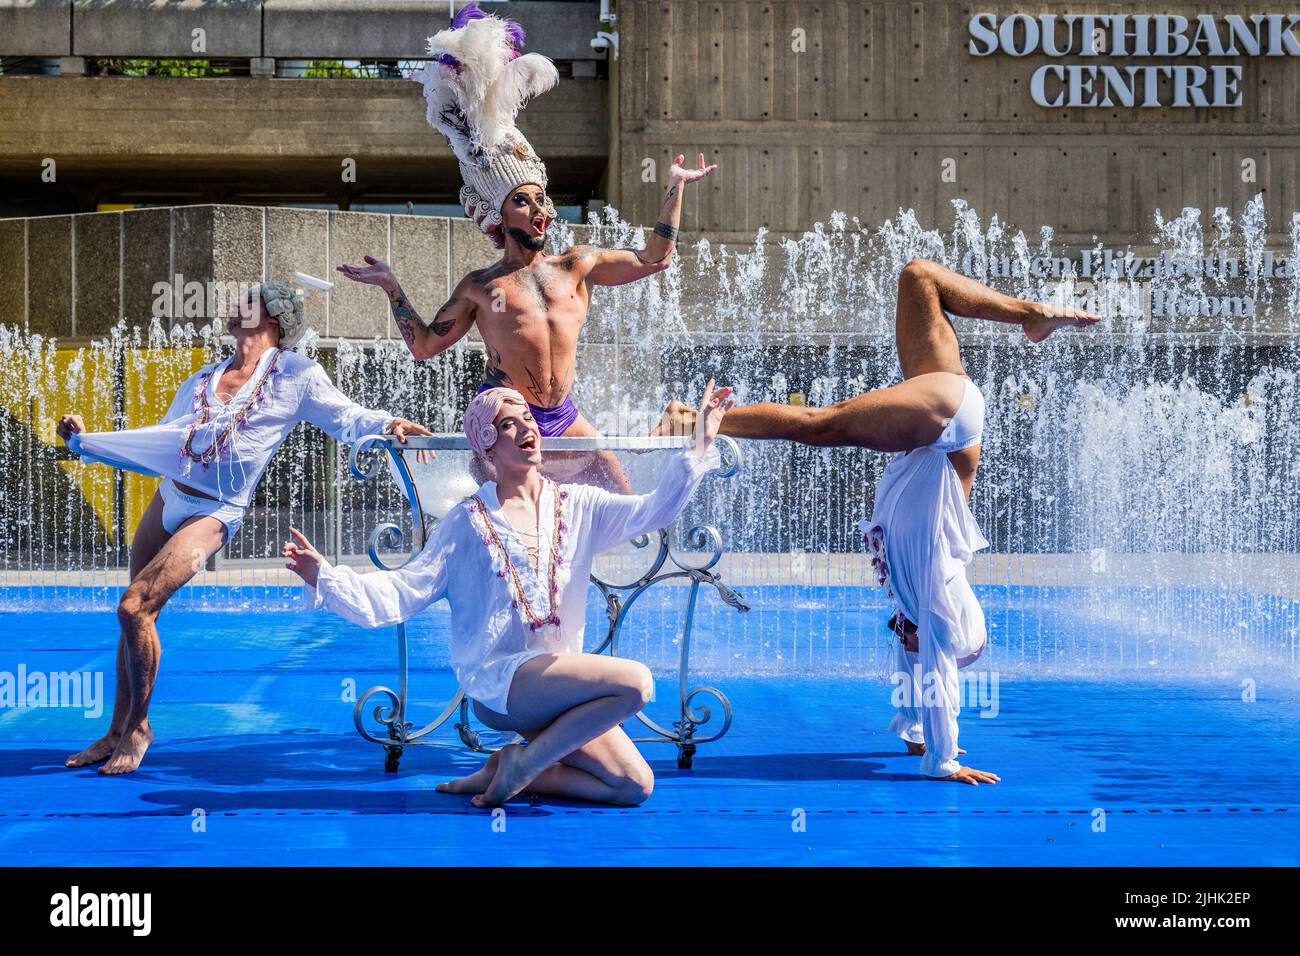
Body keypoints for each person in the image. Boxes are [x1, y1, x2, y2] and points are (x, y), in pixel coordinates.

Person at [656, 258, 1102, 784]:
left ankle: (1030, 315)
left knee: (918, 277)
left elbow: (917, 664)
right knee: (820, 424)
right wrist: (943, 759)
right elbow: (936, 665)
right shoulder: (935, 590)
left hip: (951, 408)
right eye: (915, 638)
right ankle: (694, 420)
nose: (904, 639)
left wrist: (912, 731)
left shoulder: (912, 599)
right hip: (948, 417)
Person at [283, 380, 734, 807]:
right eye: (507, 424)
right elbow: (404, 590)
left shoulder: (578, 505)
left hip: (559, 688)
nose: (525, 428)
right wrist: (326, 578)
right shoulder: (467, 522)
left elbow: (653, 511)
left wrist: (700, 444)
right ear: (486, 444)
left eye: (527, 419)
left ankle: (509, 767)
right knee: (636, 683)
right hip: (500, 684)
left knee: (633, 785)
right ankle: (524, 764)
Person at [56, 277, 432, 774]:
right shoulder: (203, 378)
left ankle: (139, 728)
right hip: (169, 497)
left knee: (133, 607)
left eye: (247, 302)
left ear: (273, 317)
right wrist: (89, 442)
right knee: (136, 619)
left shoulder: (297, 373)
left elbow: (346, 416)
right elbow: (162, 441)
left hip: (215, 511)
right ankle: (114, 731)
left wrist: (388, 425)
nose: (234, 306)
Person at [335, 2, 716, 490]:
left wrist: (675, 187)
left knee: (627, 502)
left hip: (564, 416)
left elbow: (654, 259)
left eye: (541, 199)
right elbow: (425, 346)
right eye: (522, 200)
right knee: (515, 512)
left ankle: (667, 431)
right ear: (499, 214)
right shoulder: (480, 287)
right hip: (507, 419)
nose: (538, 208)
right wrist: (392, 287)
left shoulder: (578, 265)